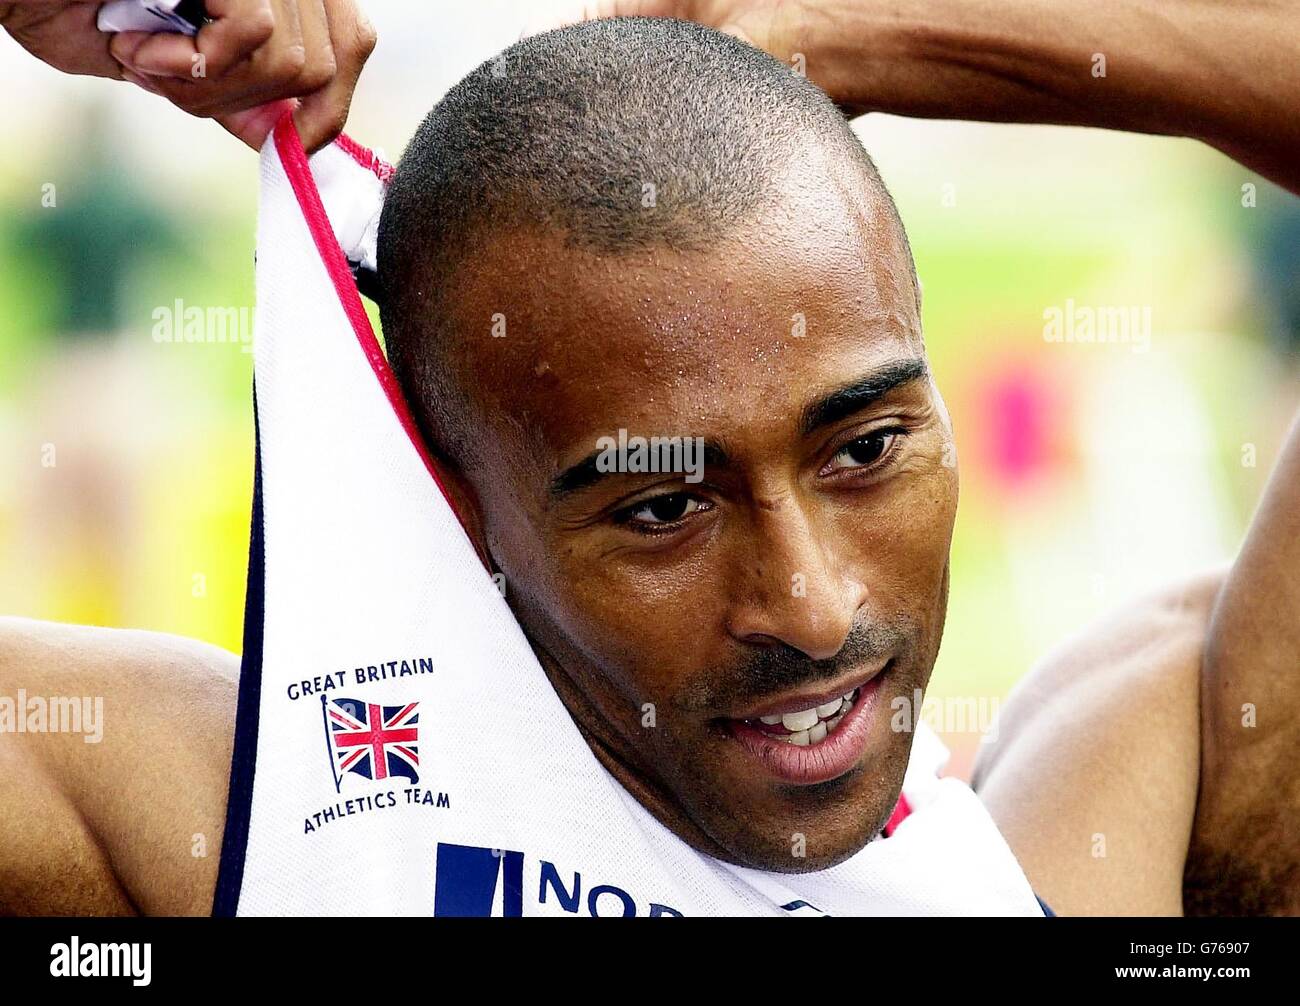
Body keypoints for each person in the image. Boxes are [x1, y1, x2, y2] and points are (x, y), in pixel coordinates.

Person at [0, 0, 1295, 916]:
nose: (814, 604)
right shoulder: (286, 821)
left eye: (866, 446)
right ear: (456, 516)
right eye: (667, 505)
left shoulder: (1098, 824)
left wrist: (874, 30)